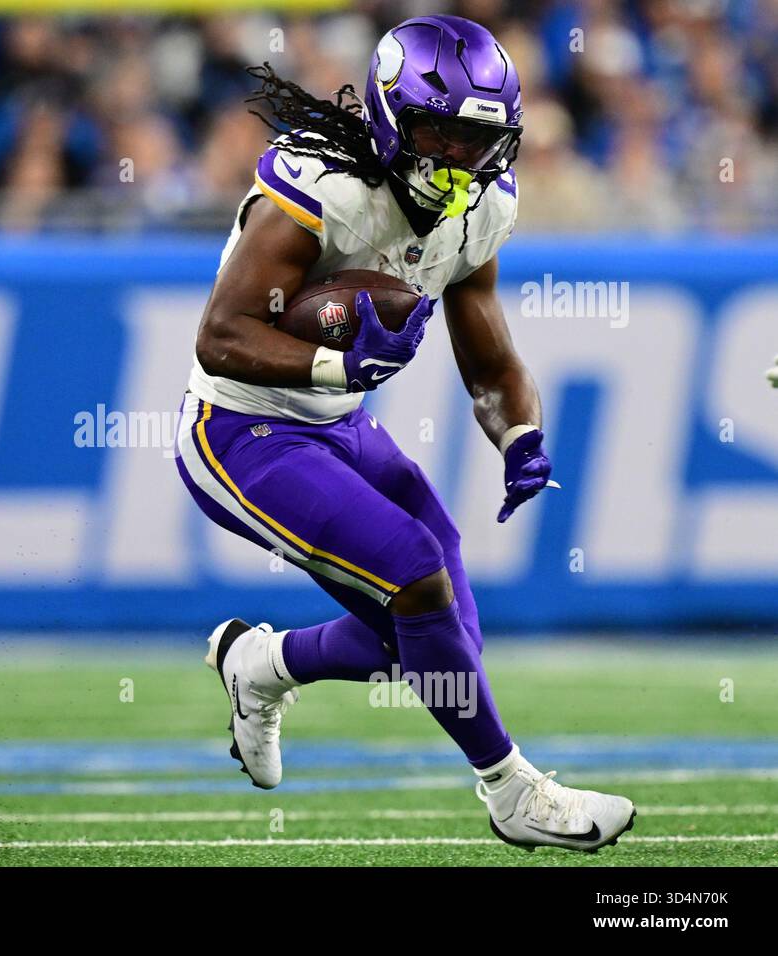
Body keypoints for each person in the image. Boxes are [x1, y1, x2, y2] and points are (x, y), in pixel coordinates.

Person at [174, 15, 635, 853]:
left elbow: (489, 352)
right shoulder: (329, 186)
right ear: (392, 117)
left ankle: (261, 663)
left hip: (339, 427)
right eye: (438, 132)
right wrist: (333, 369)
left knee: (445, 635)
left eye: (476, 139)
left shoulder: (482, 207)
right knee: (417, 581)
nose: (457, 157)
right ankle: (512, 791)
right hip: (239, 429)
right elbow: (222, 334)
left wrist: (520, 434)